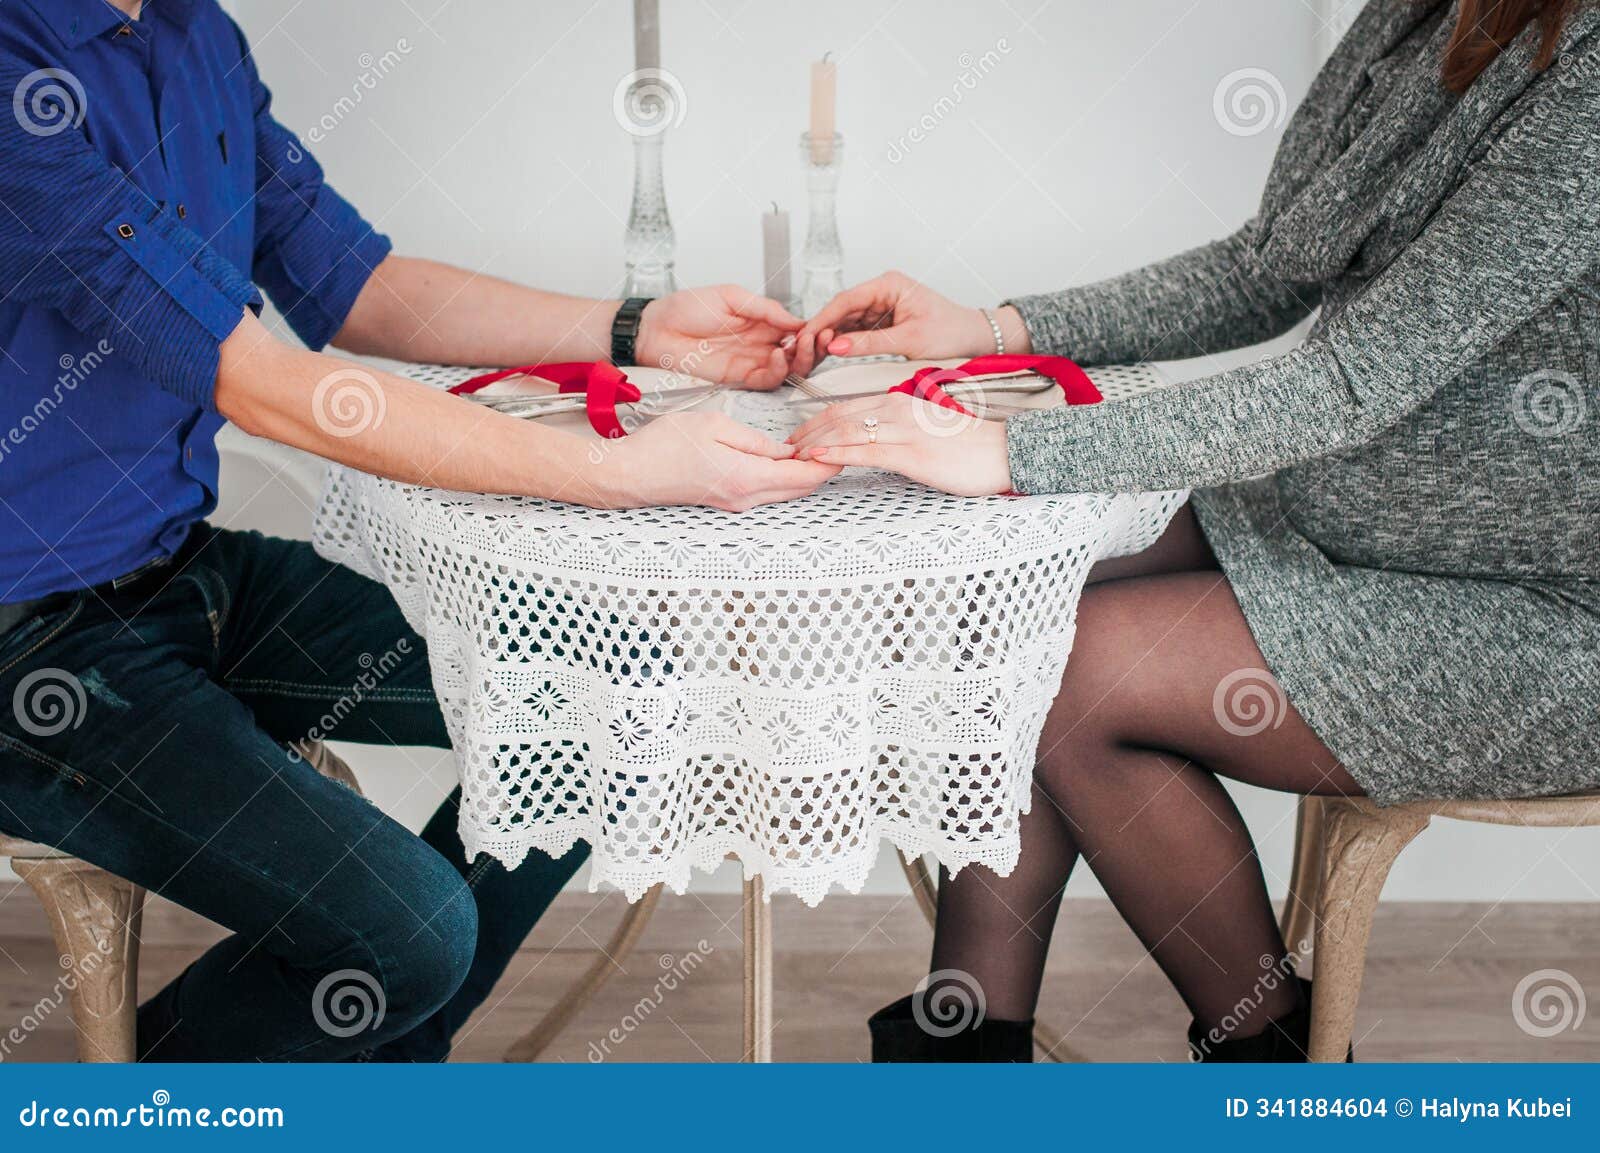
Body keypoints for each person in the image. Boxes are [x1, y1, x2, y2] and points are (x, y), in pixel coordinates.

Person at [0, 0, 834, 1061]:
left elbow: (354, 284)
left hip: (183, 573)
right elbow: (262, 385)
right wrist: (615, 474)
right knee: (410, 934)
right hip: (31, 641)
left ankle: (362, 1082)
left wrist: (633, 329)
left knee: (621, 690)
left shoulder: (194, 31)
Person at [790, 0, 1599, 1061]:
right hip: (1341, 528)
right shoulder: (1423, 11)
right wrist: (992, 330)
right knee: (1012, 599)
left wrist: (1012, 453)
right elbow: (1269, 266)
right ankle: (959, 1062)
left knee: (1072, 678)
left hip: (1541, 618)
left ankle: (1276, 1071)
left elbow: (1355, 378)